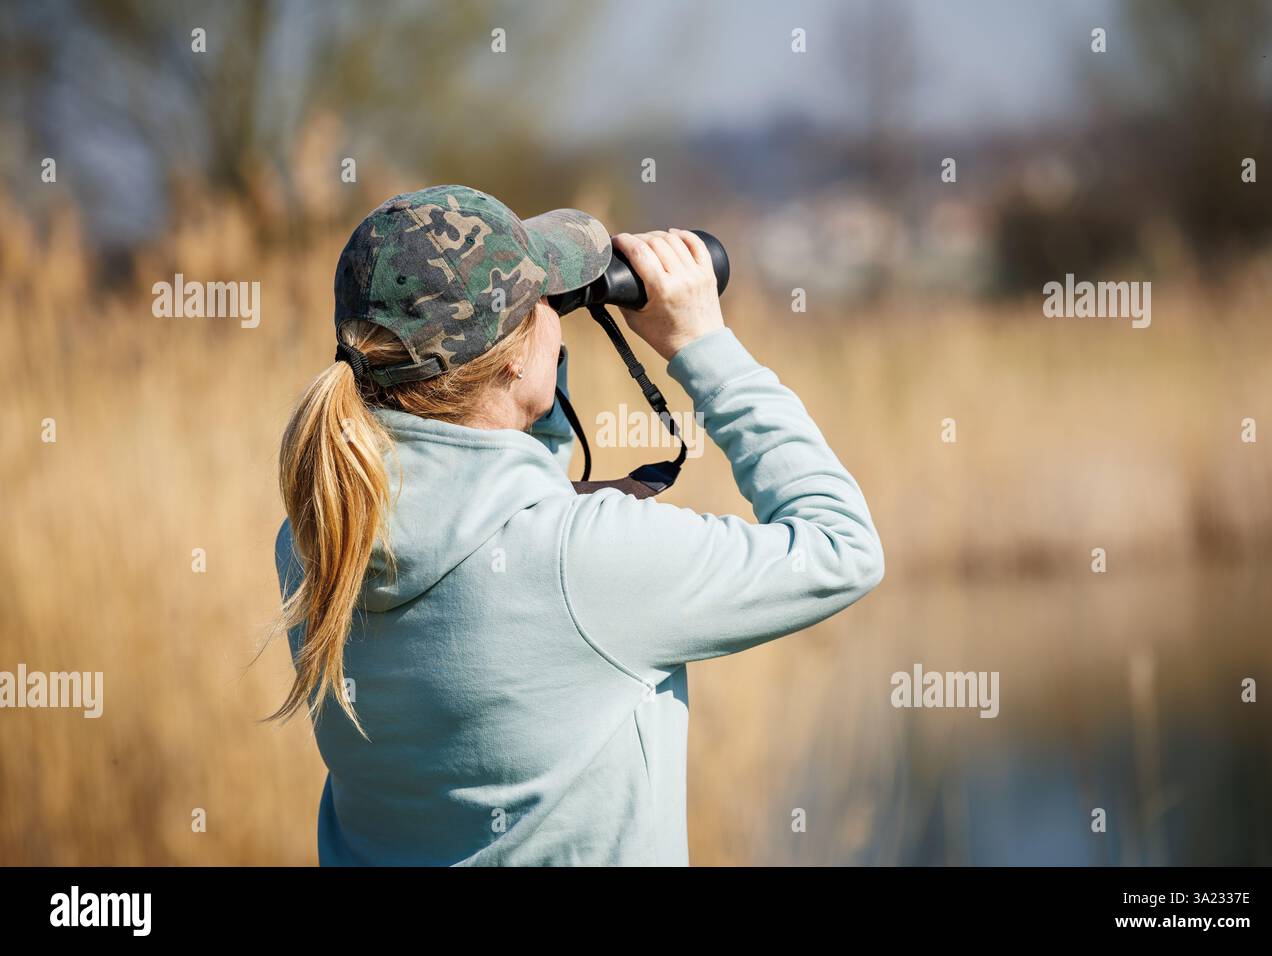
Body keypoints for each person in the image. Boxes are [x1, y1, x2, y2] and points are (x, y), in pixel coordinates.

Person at [272, 184, 884, 865]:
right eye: (544, 304)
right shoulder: (580, 560)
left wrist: (537, 366)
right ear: (510, 356)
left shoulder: (320, 535)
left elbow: (486, 516)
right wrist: (704, 346)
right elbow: (843, 547)